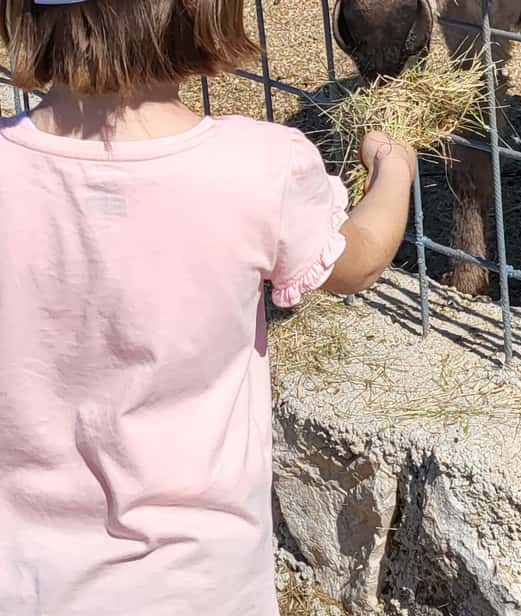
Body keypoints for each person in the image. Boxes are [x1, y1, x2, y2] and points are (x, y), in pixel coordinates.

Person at [0, 0, 414, 613]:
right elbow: (360, 261)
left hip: (26, 581)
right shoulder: (259, 167)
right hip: (200, 584)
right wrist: (393, 170)